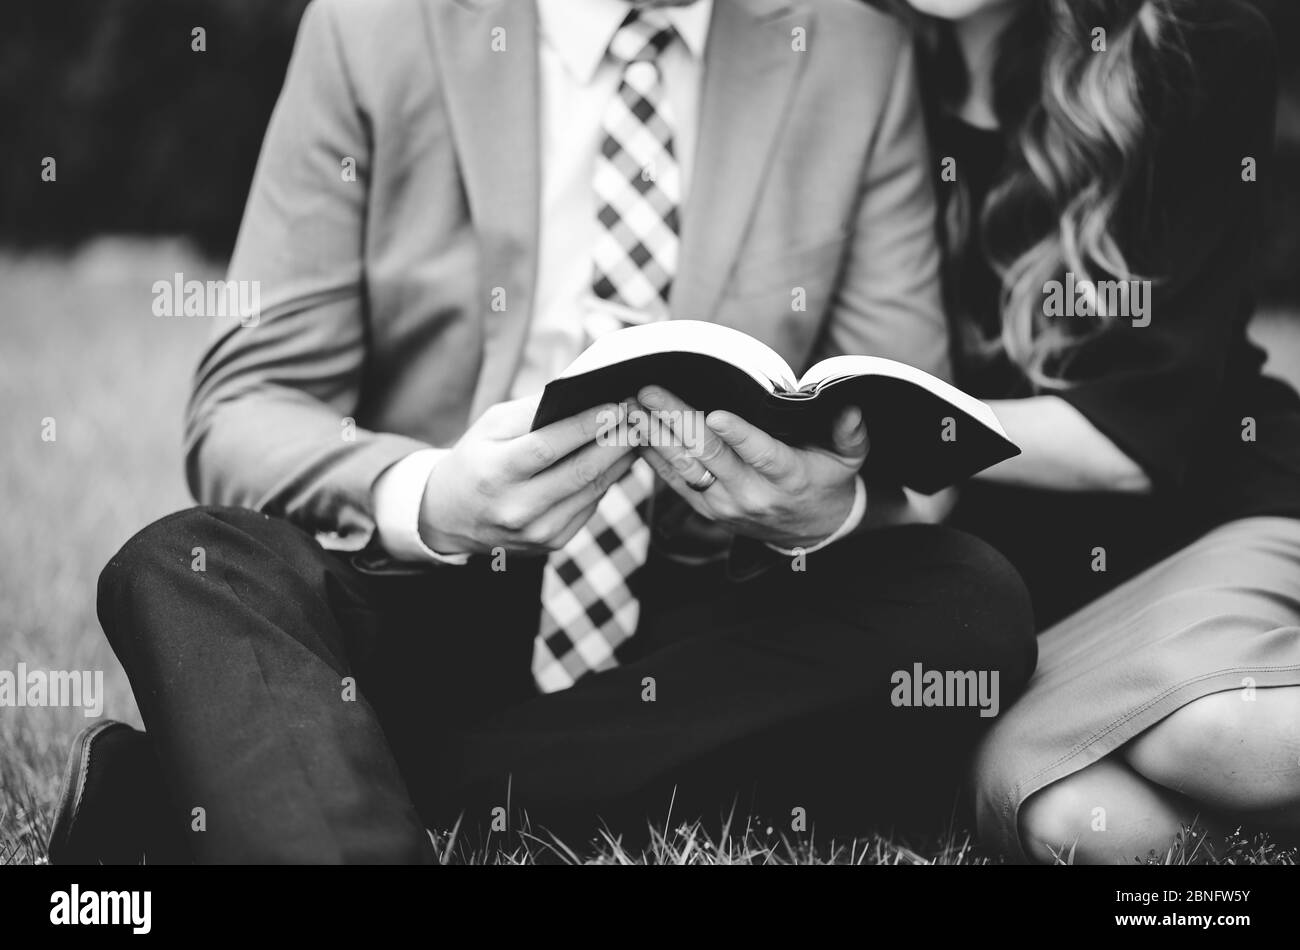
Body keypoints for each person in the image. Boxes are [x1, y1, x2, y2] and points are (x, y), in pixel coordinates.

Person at [48, 0, 1036, 864]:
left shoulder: (853, 50)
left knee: (968, 606)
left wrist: (823, 507)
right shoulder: (369, 26)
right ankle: (316, 770)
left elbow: (912, 428)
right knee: (191, 563)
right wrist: (436, 497)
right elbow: (244, 405)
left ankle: (224, 787)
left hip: (700, 627)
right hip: (425, 603)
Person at [893, 0, 1300, 863]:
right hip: (1006, 602)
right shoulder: (831, 55)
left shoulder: (1193, 45)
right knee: (1069, 823)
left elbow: (1141, 435)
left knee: (1217, 729)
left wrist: (905, 427)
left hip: (1212, 512)